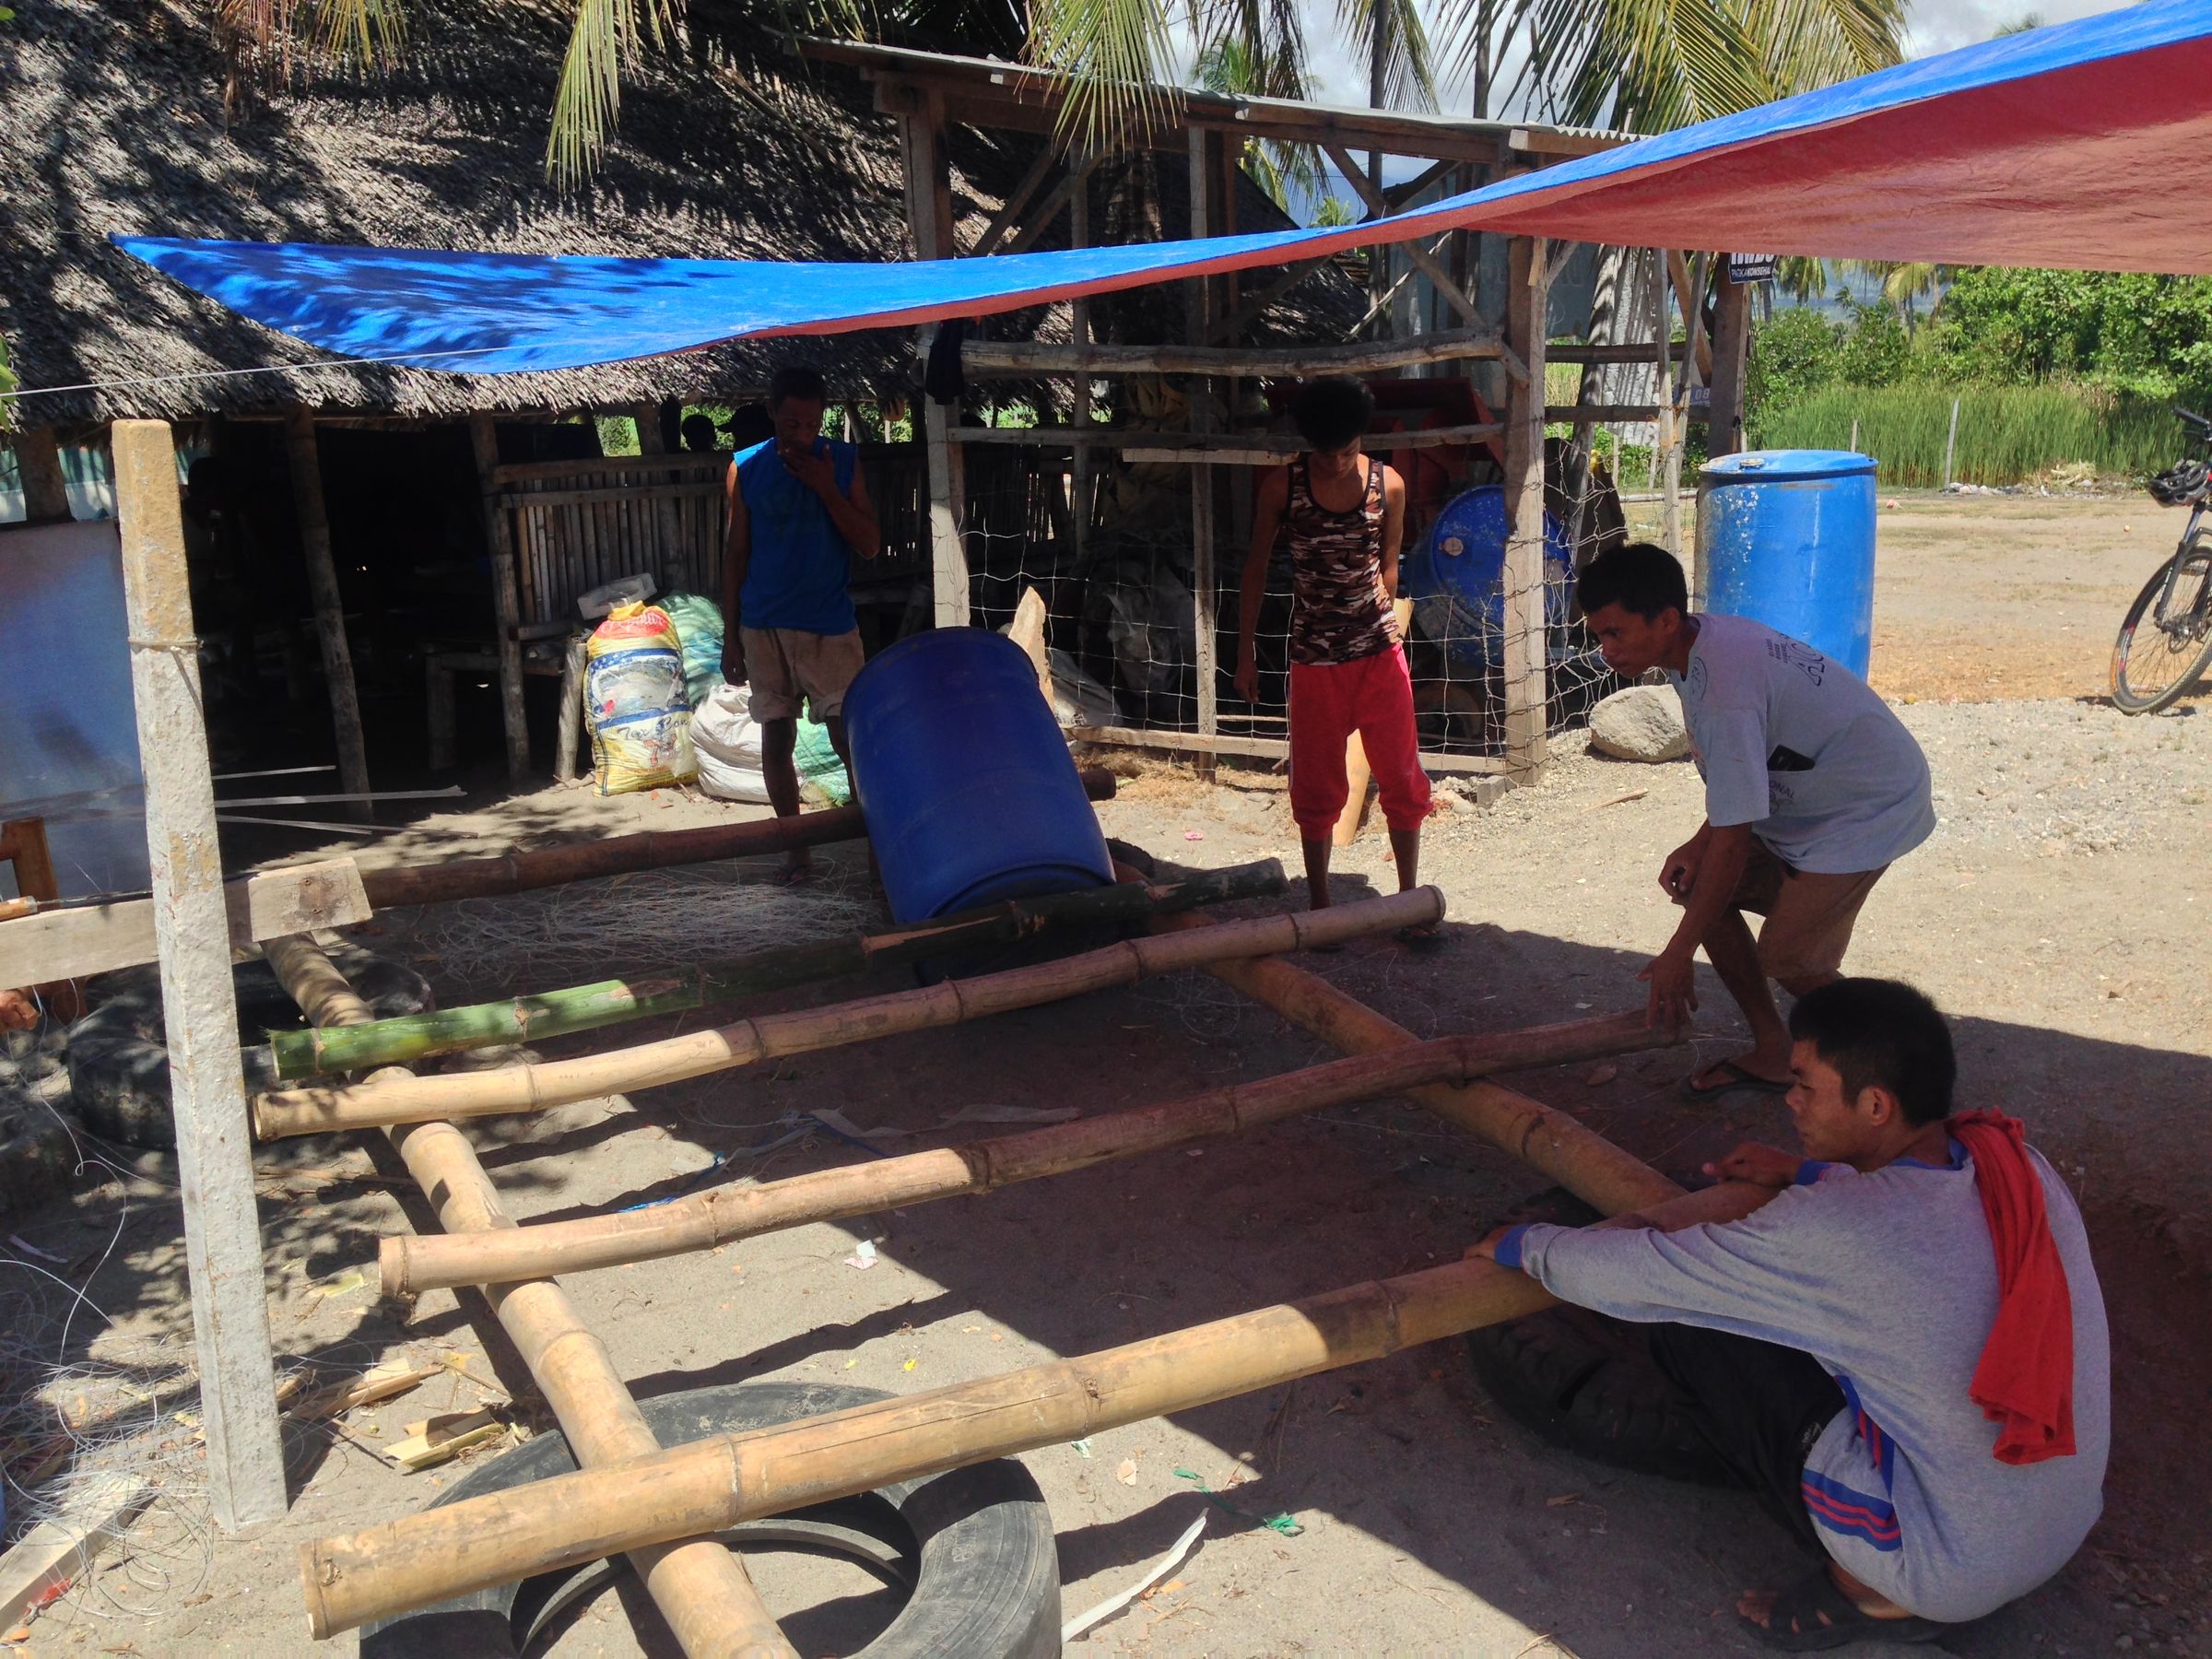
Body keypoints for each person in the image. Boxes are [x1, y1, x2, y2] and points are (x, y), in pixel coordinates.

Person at [1474, 978, 2109, 1650]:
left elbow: (1649, 1277)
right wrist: (1802, 1171)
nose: (1790, 1100)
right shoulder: (2016, 1164)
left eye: (1805, 1085)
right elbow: (1910, 1210)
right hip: (2060, 1521)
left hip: (1944, 1566)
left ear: (1873, 1104)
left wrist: (1524, 1246)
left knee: (1689, 1329)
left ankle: (1866, 1590)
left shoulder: (1838, 1232)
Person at [1576, 542, 1935, 1097]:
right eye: (1600, 636)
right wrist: (1700, 842)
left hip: (1865, 806)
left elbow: (1736, 836)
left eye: (1615, 634)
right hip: (1805, 792)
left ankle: (1897, 1063)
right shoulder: (1693, 645)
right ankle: (1774, 1049)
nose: (1606, 651)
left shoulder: (1723, 686)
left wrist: (1677, 953)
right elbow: (1737, 775)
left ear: (1666, 620)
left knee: (1790, 958)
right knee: (1701, 888)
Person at [1232, 376, 1436, 947]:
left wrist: (1389, 628)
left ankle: (1407, 899)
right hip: (1313, 659)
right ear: (1307, 448)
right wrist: (1244, 653)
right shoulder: (1282, 488)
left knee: (1401, 774)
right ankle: (1321, 905)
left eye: (1348, 451)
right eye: (1327, 455)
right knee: (1317, 784)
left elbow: (1390, 563)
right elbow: (1255, 570)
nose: (1339, 463)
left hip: (1378, 653)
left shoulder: (1387, 485)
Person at [720, 365, 882, 882]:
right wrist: (731, 636)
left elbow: (870, 543)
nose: (801, 435)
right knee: (776, 737)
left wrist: (825, 487)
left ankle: (878, 853)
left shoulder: (843, 462)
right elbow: (735, 554)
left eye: (811, 424)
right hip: (763, 624)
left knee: (849, 739)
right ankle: (797, 853)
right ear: (772, 414)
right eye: (791, 424)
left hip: (828, 626)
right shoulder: (744, 469)